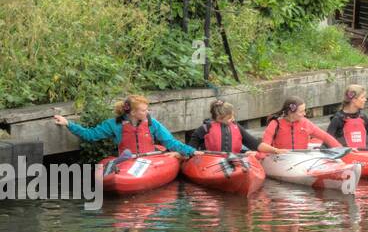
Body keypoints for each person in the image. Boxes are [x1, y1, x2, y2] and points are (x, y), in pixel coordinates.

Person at [53, 95, 195, 159]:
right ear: (133, 112)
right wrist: (68, 124)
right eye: (144, 110)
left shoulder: (152, 123)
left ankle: (179, 155)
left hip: (151, 159)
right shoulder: (114, 124)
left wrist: (192, 151)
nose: (147, 112)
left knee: (175, 153)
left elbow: (170, 142)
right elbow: (91, 135)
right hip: (128, 161)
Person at [262, 97, 341, 152]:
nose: (304, 114)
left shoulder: (305, 123)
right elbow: (265, 145)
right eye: (301, 111)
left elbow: (325, 137)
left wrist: (341, 149)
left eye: (304, 110)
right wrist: (261, 157)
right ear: (290, 112)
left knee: (318, 140)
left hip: (301, 158)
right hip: (280, 157)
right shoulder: (275, 124)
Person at [189, 99, 266, 153]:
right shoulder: (204, 129)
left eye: (233, 116)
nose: (233, 119)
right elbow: (190, 148)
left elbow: (255, 144)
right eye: (229, 118)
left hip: (232, 159)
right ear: (219, 118)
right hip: (210, 161)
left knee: (249, 152)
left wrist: (275, 150)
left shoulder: (236, 127)